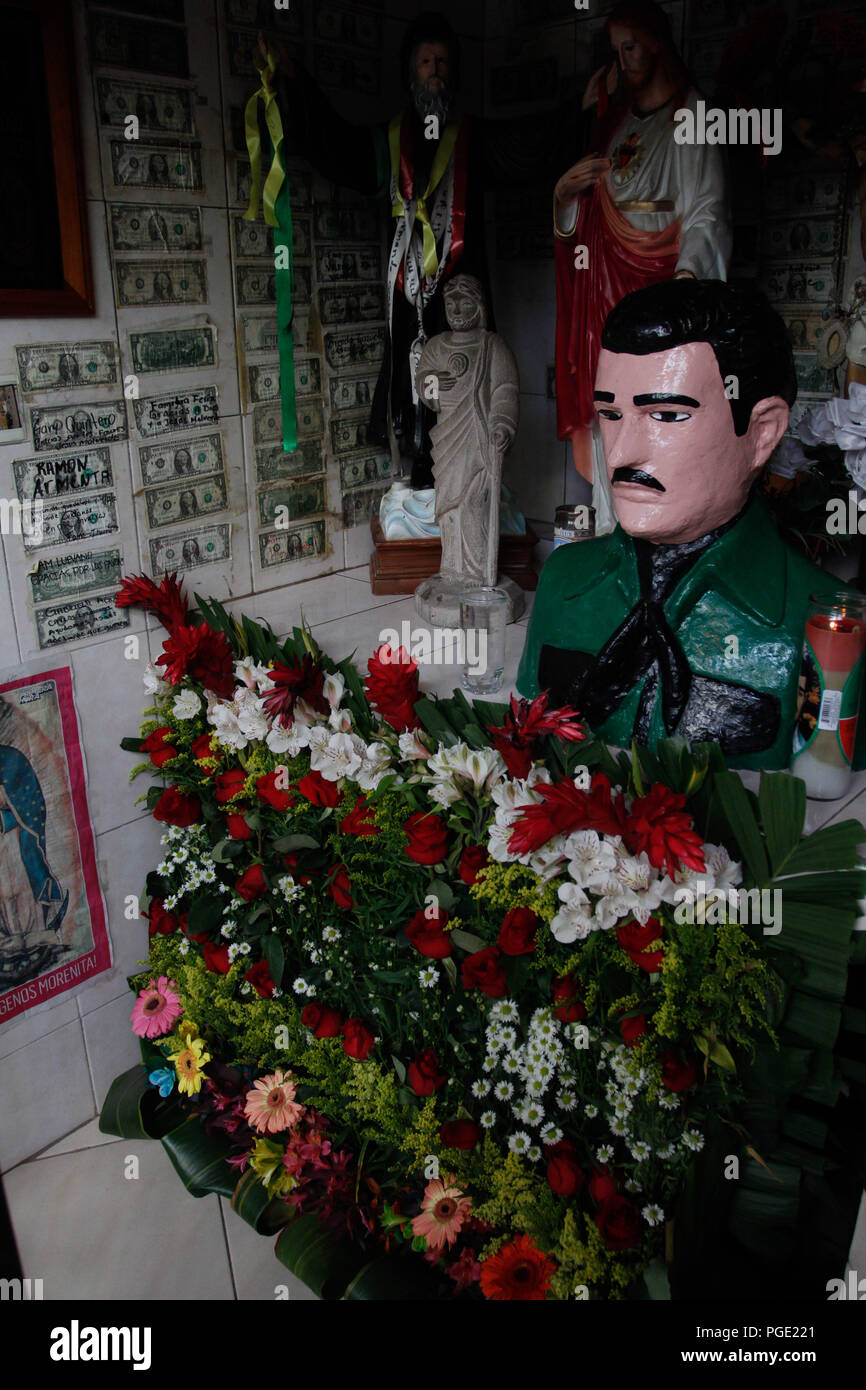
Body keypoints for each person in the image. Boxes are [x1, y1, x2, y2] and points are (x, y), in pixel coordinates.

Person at [518, 279, 845, 770]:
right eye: (609, 413)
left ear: (761, 433)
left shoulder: (822, 631)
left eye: (666, 414)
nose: (622, 452)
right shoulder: (564, 581)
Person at [267, 10, 572, 488]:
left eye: (443, 62)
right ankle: (421, 471)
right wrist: (295, 83)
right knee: (414, 380)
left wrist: (581, 113)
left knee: (466, 375)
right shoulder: (390, 141)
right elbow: (337, 144)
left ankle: (469, 473)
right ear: (411, 72)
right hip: (408, 290)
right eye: (426, 61)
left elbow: (527, 146)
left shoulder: (472, 137)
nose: (435, 71)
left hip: (462, 282)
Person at [553, 0, 732, 484]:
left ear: (656, 43)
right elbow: (588, 219)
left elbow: (706, 212)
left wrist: (685, 285)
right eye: (617, 50)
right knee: (609, 414)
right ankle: (613, 538)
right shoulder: (618, 123)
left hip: (660, 292)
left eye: (630, 47)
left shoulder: (692, 114)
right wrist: (565, 197)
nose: (624, 61)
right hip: (604, 296)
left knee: (658, 422)